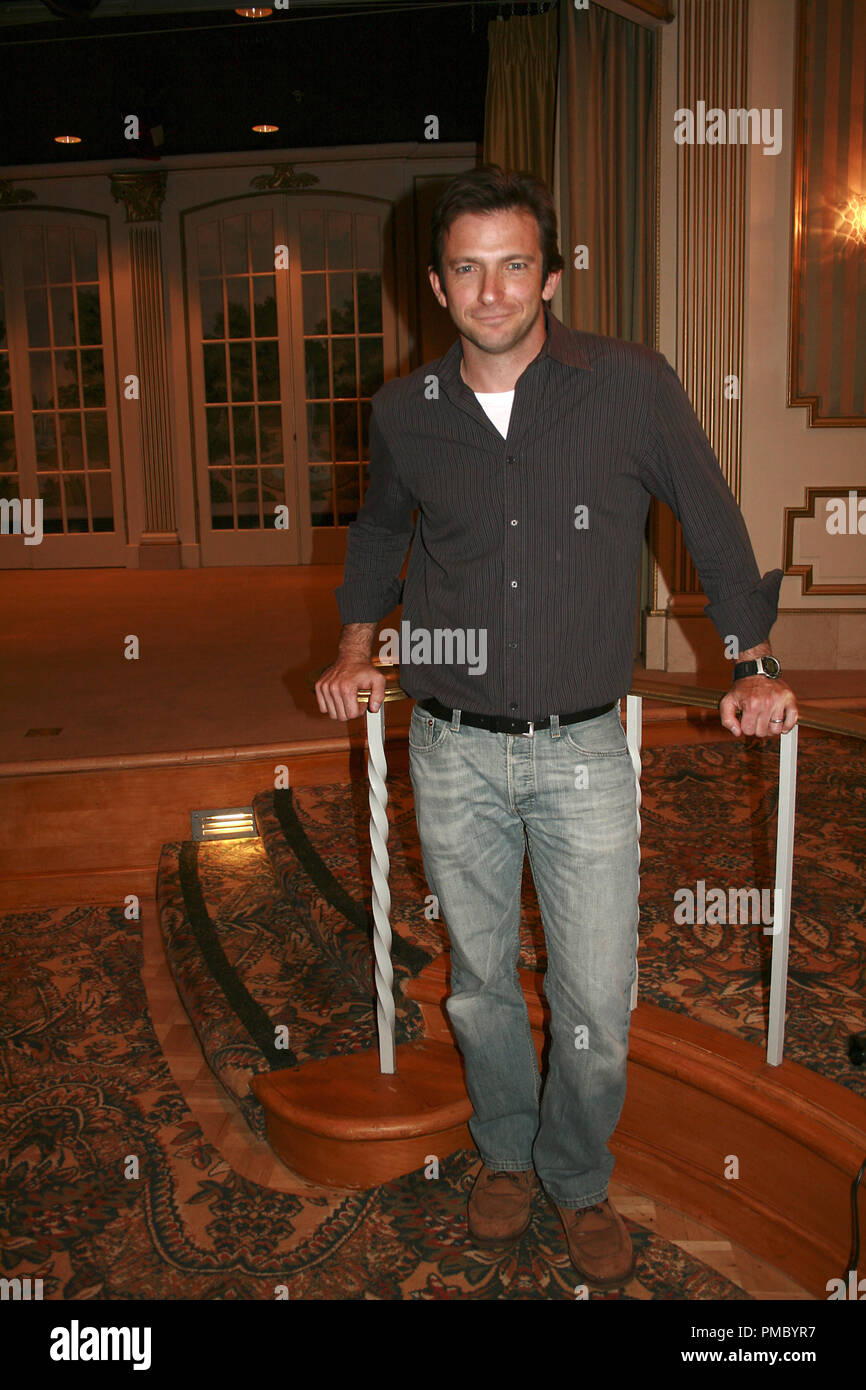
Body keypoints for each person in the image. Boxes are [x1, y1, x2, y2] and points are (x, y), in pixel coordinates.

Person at [315, 165, 799, 1289]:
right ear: (435, 283)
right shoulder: (405, 410)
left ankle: (574, 1174)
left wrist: (753, 657)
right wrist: (353, 646)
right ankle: (503, 1148)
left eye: (514, 263)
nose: (492, 290)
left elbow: (709, 516)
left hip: (582, 749)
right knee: (477, 976)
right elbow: (379, 535)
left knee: (590, 990)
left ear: (551, 273)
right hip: (449, 746)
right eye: (468, 267)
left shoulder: (628, 386)